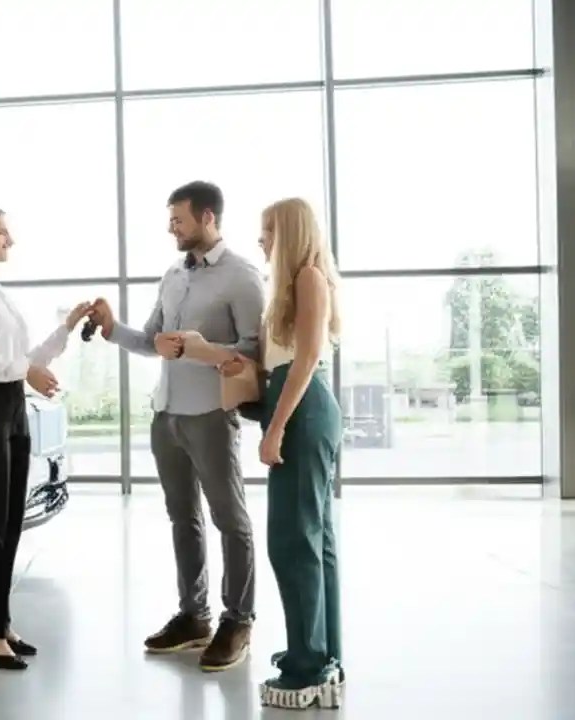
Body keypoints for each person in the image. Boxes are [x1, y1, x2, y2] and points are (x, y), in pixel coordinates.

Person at [88, 180, 265, 672]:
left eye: (178, 219)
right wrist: (111, 327)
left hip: (211, 414)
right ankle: (194, 615)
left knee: (230, 520)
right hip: (166, 415)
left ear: (208, 217)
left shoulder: (243, 277)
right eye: (170, 219)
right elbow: (152, 340)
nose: (171, 227)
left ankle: (239, 619)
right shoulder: (173, 273)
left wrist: (199, 348)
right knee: (182, 519)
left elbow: (255, 352)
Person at [181, 197, 345, 710]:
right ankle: (321, 659)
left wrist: (274, 430)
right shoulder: (294, 284)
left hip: (302, 413)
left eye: (268, 230)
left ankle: (306, 668)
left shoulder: (309, 279)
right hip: (296, 410)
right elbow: (272, 363)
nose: (261, 239)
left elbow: (307, 359)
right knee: (314, 543)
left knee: (293, 542)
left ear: (290, 230)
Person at [0, 204, 92, 672]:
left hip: (11, 407)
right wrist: (25, 370)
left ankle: (0, 623)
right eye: (1, 232)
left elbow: (23, 359)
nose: (9, 240)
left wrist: (67, 327)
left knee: (9, 523)